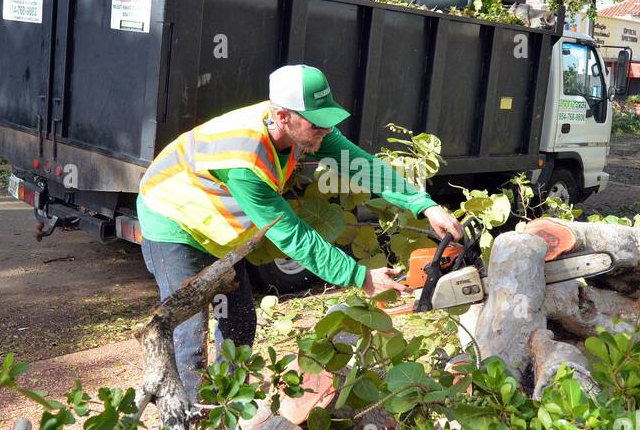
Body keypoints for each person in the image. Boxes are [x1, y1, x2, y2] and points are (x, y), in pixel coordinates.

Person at [137, 63, 463, 399]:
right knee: (189, 335)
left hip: (218, 228)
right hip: (173, 221)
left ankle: (226, 411)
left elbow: (361, 164)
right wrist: (359, 276)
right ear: (282, 116)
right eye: (316, 122)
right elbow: (292, 235)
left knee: (239, 322)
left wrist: (425, 205)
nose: (326, 128)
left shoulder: (302, 129)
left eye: (327, 118)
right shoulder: (244, 158)